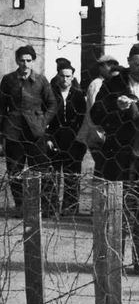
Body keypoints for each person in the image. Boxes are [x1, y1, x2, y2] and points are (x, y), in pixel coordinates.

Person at [90, 42, 139, 276]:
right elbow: (96, 115)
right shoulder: (112, 85)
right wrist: (116, 106)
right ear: (129, 61)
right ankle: (111, 261)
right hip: (119, 156)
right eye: (137, 65)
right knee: (115, 210)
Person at [0, 45, 57, 217]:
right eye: (22, 60)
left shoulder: (41, 80)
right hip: (13, 132)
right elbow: (1, 107)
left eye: (28, 60)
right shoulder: (8, 80)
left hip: (35, 132)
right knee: (15, 170)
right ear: (17, 61)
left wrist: (42, 122)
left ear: (33, 61)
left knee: (41, 169)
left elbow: (52, 104)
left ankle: (46, 207)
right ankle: (21, 206)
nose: (25, 64)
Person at [46, 62, 87, 216]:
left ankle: (70, 207)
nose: (65, 79)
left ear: (72, 77)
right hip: (54, 139)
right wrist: (48, 138)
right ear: (57, 76)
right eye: (62, 76)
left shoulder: (77, 95)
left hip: (73, 141)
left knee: (72, 175)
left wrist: (80, 140)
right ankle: (51, 207)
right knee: (52, 174)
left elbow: (82, 119)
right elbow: (46, 117)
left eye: (68, 76)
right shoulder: (50, 93)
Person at [76, 55, 120, 185]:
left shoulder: (111, 84)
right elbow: (96, 112)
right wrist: (101, 134)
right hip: (99, 135)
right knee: (103, 172)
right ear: (101, 67)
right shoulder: (98, 84)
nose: (112, 68)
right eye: (109, 65)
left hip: (105, 135)